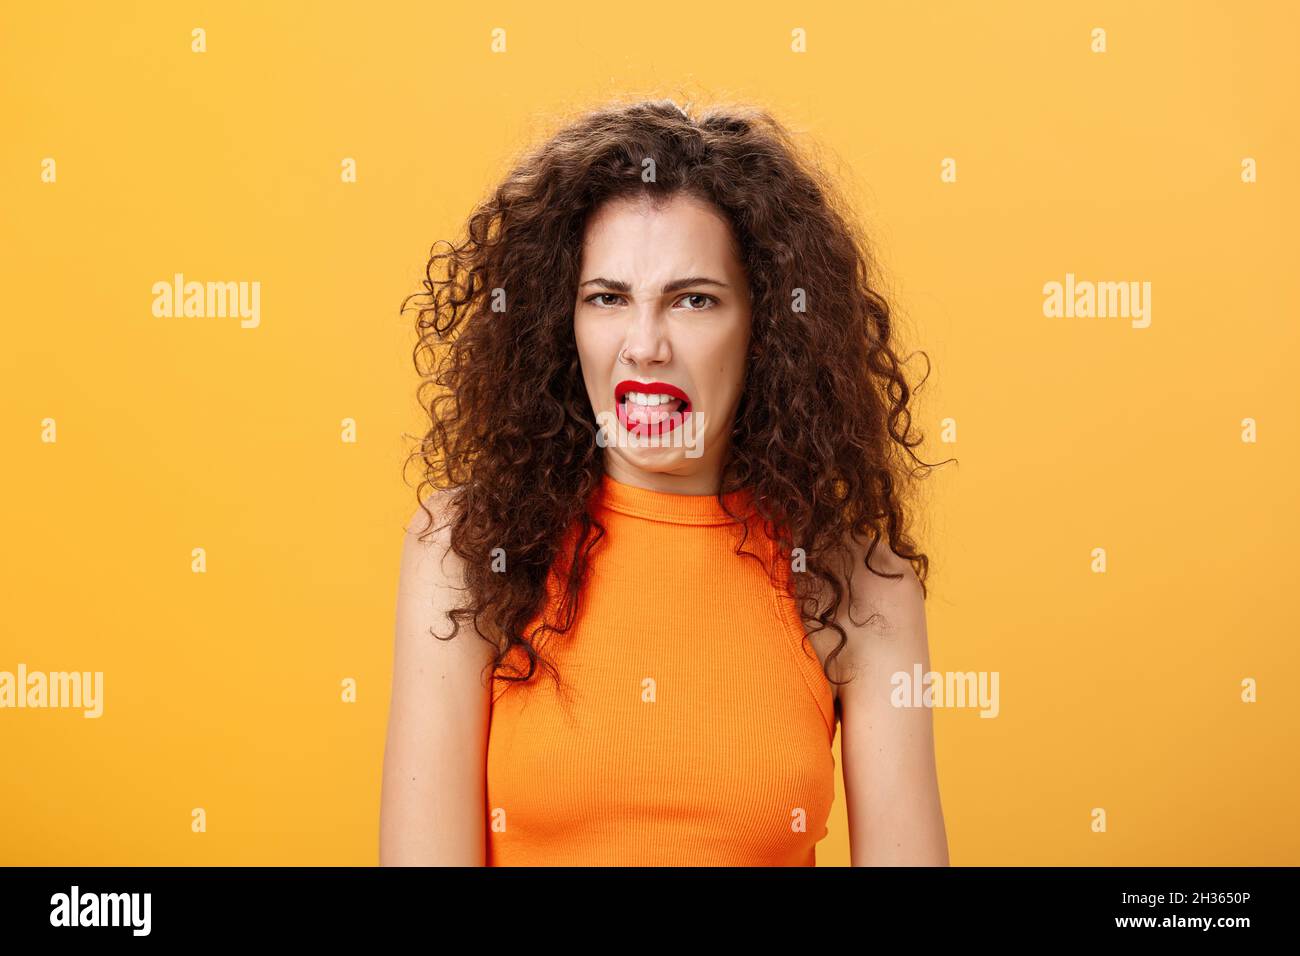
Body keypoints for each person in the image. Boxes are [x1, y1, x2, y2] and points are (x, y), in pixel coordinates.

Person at [380, 98, 949, 866]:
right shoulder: (469, 552)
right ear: (564, 321)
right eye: (608, 298)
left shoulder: (860, 586)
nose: (643, 345)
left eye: (693, 300)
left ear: (767, 326)